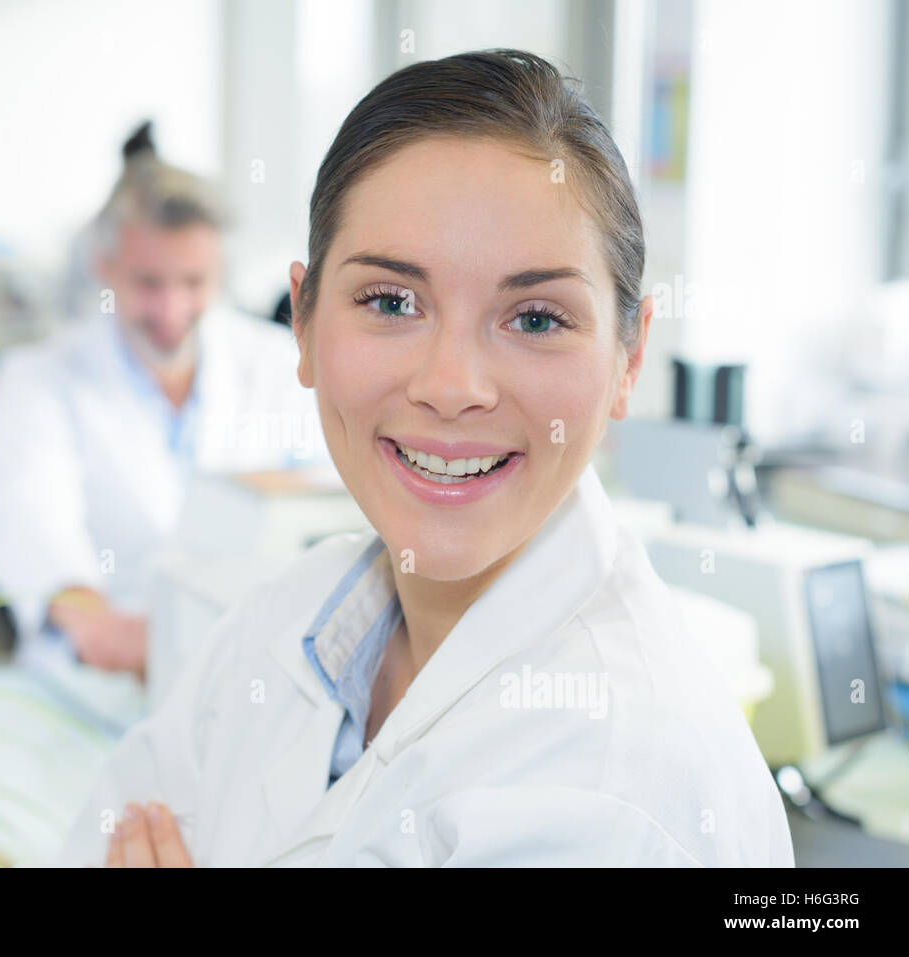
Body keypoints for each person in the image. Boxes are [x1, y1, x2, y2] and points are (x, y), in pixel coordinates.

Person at [55, 50, 795, 866]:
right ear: (300, 322)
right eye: (391, 301)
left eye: (537, 318)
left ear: (630, 355)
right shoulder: (282, 622)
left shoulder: (623, 790)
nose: (451, 387)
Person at [0, 123, 327, 680]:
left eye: (192, 281)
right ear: (103, 268)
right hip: (97, 678)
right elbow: (29, 518)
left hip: (259, 671)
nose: (171, 309)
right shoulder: (42, 380)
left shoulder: (280, 366)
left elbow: (324, 514)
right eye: (148, 284)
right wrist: (100, 630)